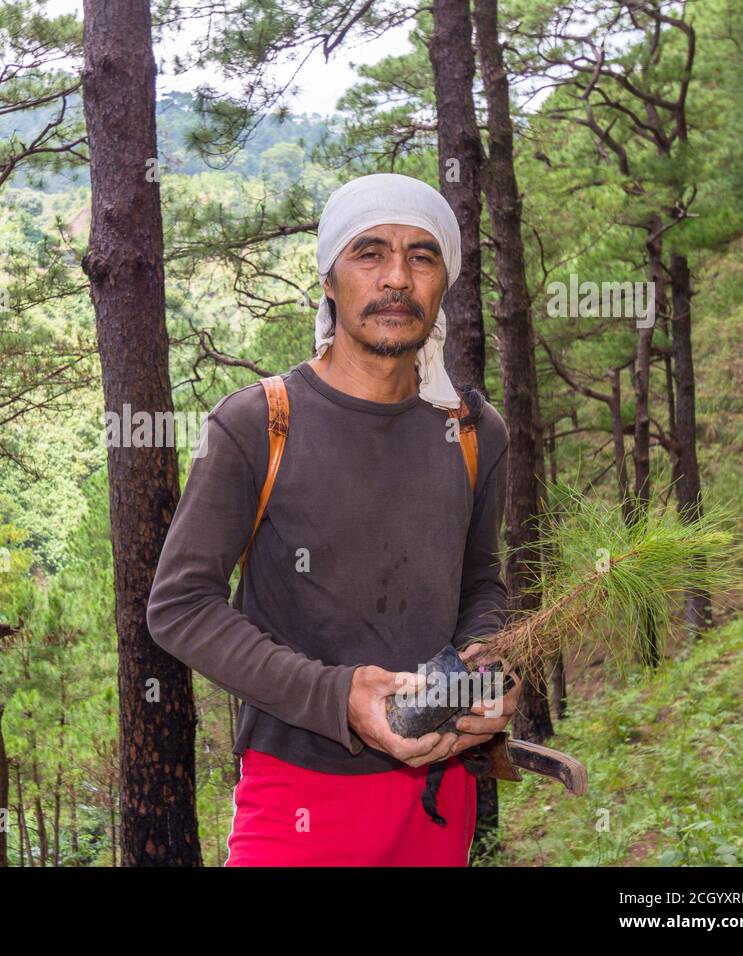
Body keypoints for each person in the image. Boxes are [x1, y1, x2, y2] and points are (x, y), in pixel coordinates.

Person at [146, 172, 522, 866]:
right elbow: (179, 605)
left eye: (422, 256)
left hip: (440, 798)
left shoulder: (473, 431)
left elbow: (481, 583)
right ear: (330, 278)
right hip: (296, 796)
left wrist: (483, 670)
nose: (397, 279)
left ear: (444, 283)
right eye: (369, 253)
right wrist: (340, 695)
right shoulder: (260, 423)